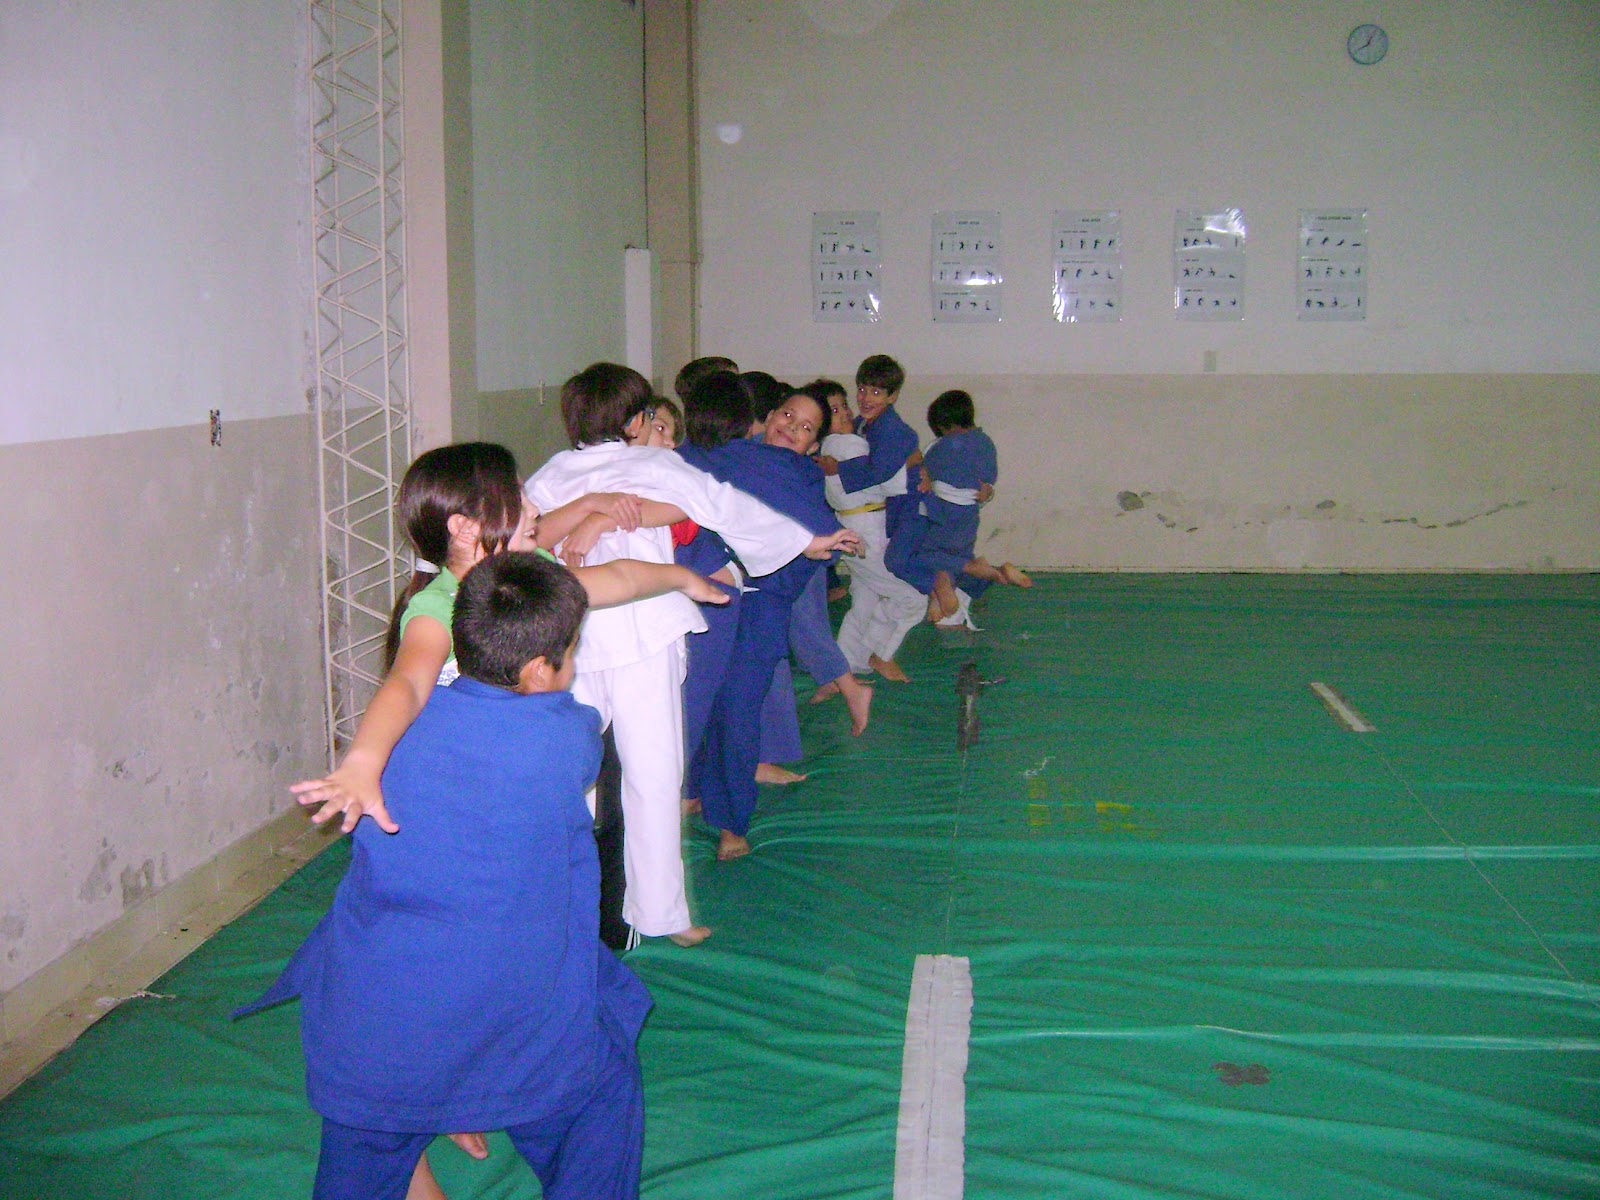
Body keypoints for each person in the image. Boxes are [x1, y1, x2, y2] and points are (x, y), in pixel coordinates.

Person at [237, 553, 651, 1200]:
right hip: (518, 1010)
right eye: (568, 653)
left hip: (378, 1028)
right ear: (541, 667)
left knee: (368, 1144)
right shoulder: (569, 739)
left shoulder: (393, 736)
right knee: (599, 1090)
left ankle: (445, 1101)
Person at [526, 364, 855, 942]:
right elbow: (531, 538)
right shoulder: (571, 474)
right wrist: (807, 540)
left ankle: (627, 911)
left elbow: (708, 506)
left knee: (605, 777)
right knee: (642, 777)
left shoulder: (631, 467)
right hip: (594, 634)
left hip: (597, 634)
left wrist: (804, 539)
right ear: (631, 419)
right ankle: (638, 913)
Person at [680, 384, 860, 859]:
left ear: (813, 446)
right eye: (787, 415)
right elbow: (683, 493)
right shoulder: (726, 456)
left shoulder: (803, 479)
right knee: (697, 698)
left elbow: (816, 538)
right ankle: (690, 789)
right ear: (767, 417)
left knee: (740, 707)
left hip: (762, 605)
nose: (791, 428)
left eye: (805, 428)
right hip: (713, 594)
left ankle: (730, 821)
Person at [816, 354, 924, 682]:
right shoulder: (849, 441)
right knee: (913, 599)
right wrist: (914, 465)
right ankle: (881, 652)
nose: (860, 402)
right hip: (866, 528)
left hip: (861, 524)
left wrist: (916, 464)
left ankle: (846, 665)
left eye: (875, 393)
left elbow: (879, 468)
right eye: (862, 390)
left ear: (892, 396)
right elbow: (879, 474)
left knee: (864, 599)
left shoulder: (869, 432)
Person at [887, 389, 1032, 624]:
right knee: (956, 554)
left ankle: (955, 579)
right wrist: (986, 491)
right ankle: (995, 573)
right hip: (969, 514)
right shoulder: (985, 444)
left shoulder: (943, 448)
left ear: (946, 426)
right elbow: (988, 480)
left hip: (942, 511)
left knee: (925, 554)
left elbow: (925, 471)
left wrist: (917, 468)